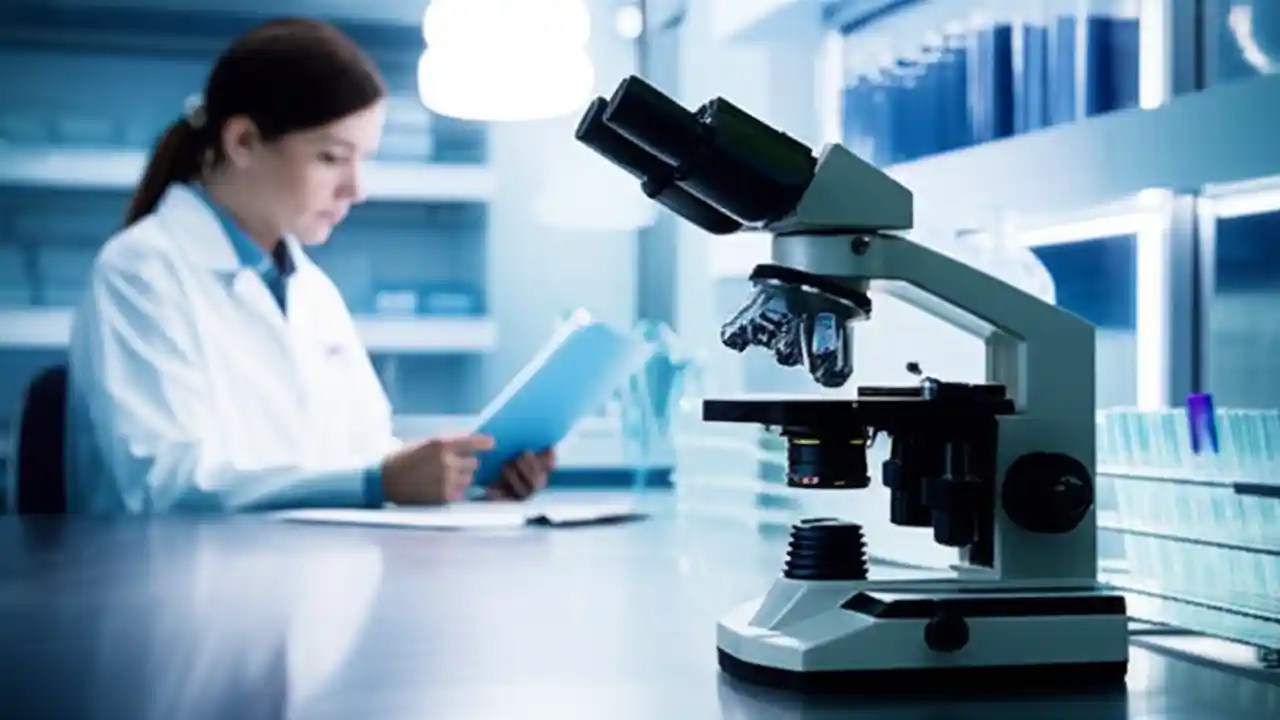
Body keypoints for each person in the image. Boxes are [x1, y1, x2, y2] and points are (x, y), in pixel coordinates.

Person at [65, 18, 554, 514]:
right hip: (174, 580)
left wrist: (462, 479)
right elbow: (164, 483)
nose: (357, 188)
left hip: (305, 571)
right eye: (331, 157)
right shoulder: (141, 272)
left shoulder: (309, 289)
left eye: (364, 159)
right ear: (244, 142)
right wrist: (379, 481)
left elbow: (362, 456)